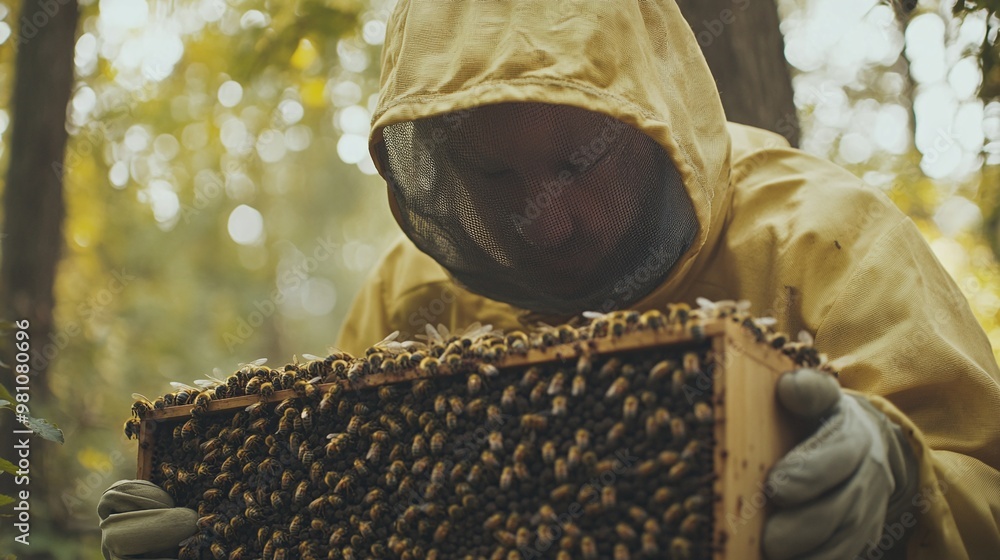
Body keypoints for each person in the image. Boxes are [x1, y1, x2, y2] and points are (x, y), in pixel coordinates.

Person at [99, 1, 1000, 559]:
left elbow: (984, 486)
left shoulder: (821, 240)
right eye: (496, 179)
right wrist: (240, 528)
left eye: (576, 165)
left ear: (649, 131)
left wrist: (902, 489)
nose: (547, 219)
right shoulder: (412, 296)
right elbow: (347, 509)